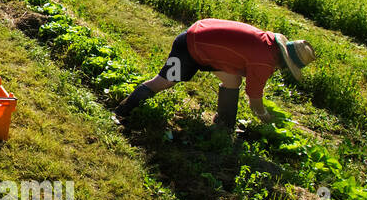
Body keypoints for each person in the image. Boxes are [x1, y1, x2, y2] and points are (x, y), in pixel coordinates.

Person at [114, 18, 315, 129]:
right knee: (163, 82)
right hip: (190, 47)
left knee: (232, 80)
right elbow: (254, 98)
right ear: (286, 63)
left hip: (201, 35)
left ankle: (224, 124)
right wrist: (266, 118)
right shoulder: (265, 61)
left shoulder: (267, 42)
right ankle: (121, 112)